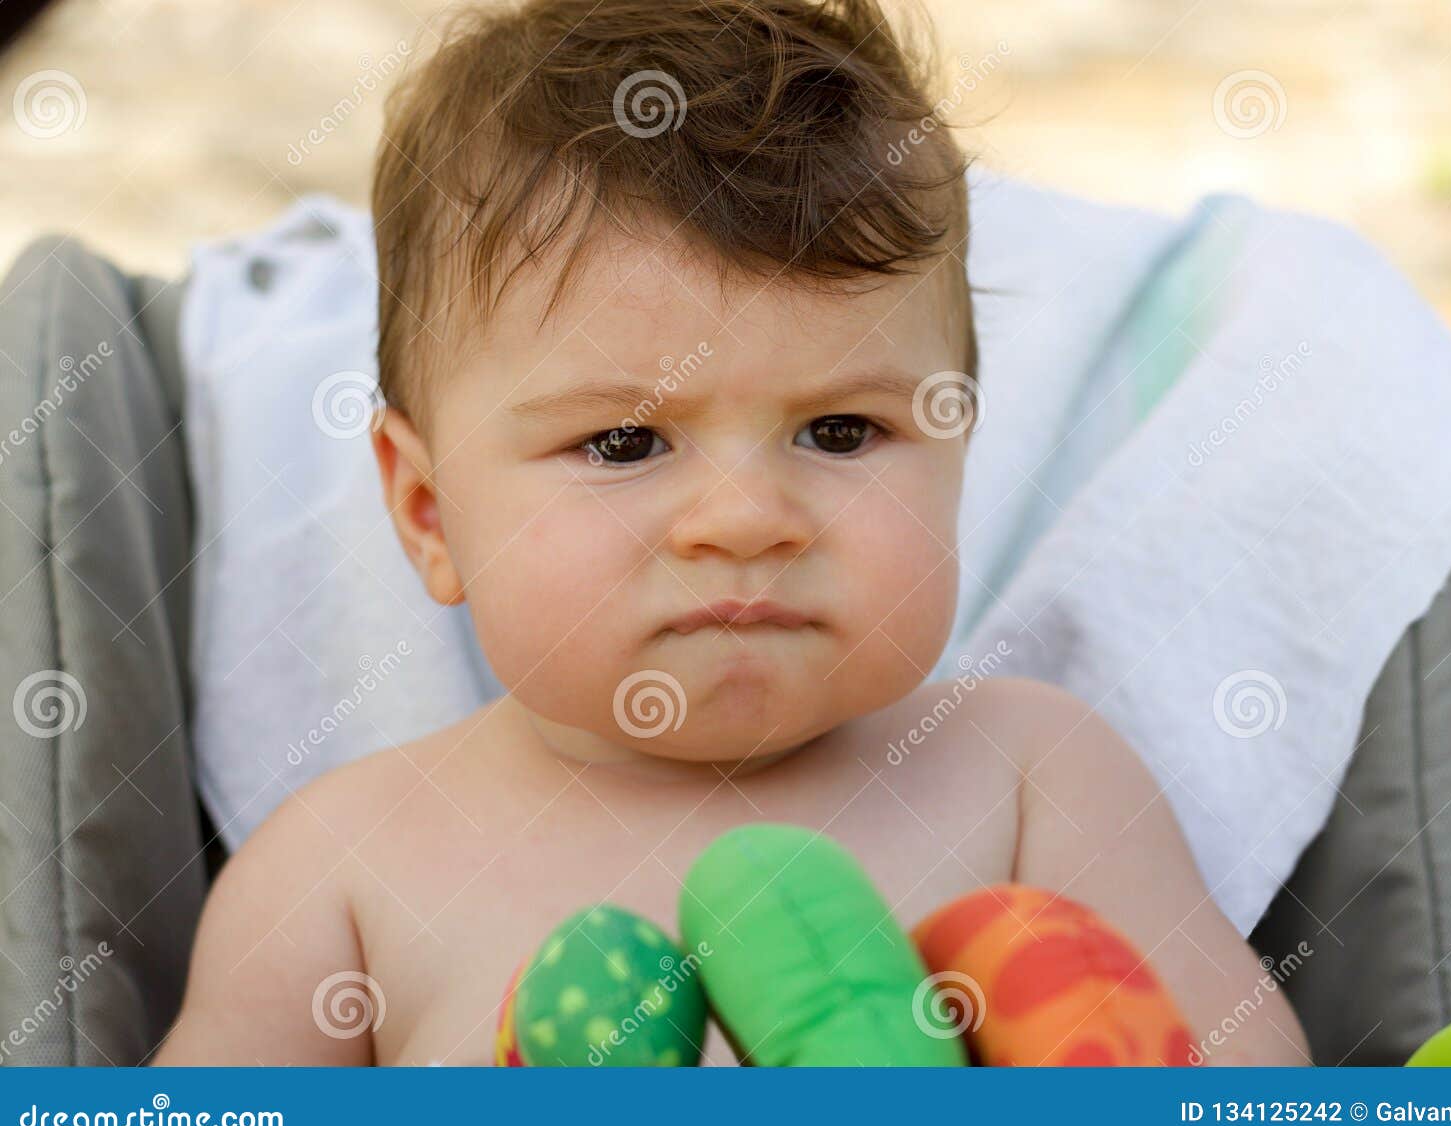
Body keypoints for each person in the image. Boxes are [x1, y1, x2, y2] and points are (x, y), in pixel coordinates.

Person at [152, 0, 1307, 1066]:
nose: (747, 520)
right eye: (624, 443)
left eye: (843, 430)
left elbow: (1264, 1104)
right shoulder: (341, 873)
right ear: (428, 511)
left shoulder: (1030, 777)